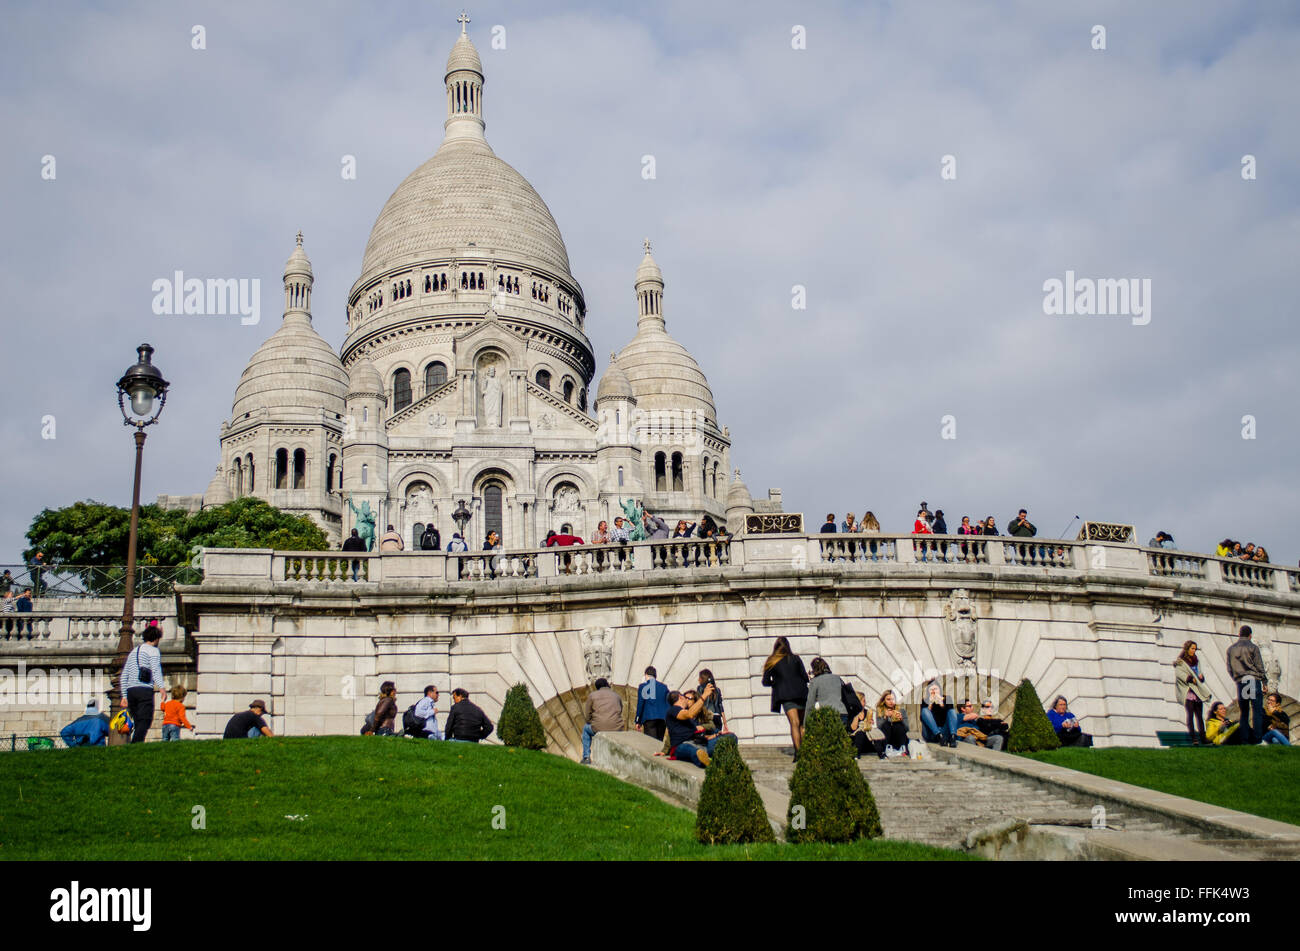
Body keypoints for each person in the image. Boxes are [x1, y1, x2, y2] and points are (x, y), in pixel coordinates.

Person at [761, 636, 809, 758]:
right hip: (801, 693)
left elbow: (765, 681)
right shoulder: (796, 658)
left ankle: (798, 752)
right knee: (802, 724)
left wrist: (777, 683)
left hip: (786, 695)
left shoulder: (772, 660)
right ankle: (804, 751)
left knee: (794, 723)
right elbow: (805, 677)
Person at [661, 686, 729, 767]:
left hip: (698, 743)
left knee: (730, 737)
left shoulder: (690, 718)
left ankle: (705, 756)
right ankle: (704, 760)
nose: (687, 700)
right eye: (686, 697)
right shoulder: (674, 710)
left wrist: (717, 735)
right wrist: (704, 695)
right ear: (680, 697)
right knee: (692, 750)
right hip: (682, 746)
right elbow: (690, 714)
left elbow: (700, 734)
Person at [119, 624, 164, 743]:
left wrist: (124, 695)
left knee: (138, 719)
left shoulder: (134, 651)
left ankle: (137, 743)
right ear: (156, 638)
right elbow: (155, 670)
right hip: (144, 689)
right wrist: (161, 687)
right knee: (145, 719)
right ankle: (136, 744)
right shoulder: (154, 651)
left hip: (131, 690)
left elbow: (124, 675)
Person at [1226, 624, 1267, 743]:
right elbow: (1259, 665)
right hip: (1252, 679)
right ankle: (1257, 738)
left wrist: (1236, 678)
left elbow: (1229, 668)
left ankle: (1244, 739)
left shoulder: (1231, 649)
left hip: (1242, 681)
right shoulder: (1253, 647)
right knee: (1257, 710)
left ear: (1239, 634)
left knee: (1244, 711)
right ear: (1250, 635)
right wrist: (1264, 681)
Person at [1173, 640, 1211, 744]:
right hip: (1188, 691)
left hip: (1197, 691)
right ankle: (1193, 738)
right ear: (1187, 649)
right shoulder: (1181, 661)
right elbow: (1179, 674)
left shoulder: (1196, 660)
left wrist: (1201, 677)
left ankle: (1203, 738)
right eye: (1192, 648)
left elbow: (1199, 672)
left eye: (1195, 649)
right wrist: (1190, 678)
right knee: (1190, 714)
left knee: (1199, 715)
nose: (1193, 651)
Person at [580, 677, 625, 763]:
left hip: (598, 727)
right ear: (607, 685)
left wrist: (591, 722)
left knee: (586, 729)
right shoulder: (617, 696)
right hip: (616, 728)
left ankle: (586, 757)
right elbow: (620, 710)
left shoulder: (592, 695)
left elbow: (587, 715)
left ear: (597, 687)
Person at [804, 657, 847, 726]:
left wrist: (805, 723)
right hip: (842, 713)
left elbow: (810, 703)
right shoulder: (837, 678)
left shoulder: (815, 681)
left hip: (827, 714)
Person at [635, 666, 670, 740]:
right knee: (659, 743)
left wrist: (638, 720)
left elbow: (640, 704)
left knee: (651, 744)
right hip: (662, 719)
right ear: (655, 676)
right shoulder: (664, 687)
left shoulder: (643, 686)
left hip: (649, 718)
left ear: (646, 675)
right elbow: (668, 702)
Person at [920, 680, 959, 747]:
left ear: (940, 690)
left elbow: (951, 713)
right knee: (924, 710)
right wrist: (930, 703)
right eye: (931, 689)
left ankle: (953, 737)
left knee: (952, 711)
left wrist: (941, 703)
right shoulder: (925, 700)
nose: (933, 691)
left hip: (944, 732)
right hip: (931, 734)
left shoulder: (947, 698)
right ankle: (939, 735)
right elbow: (923, 716)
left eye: (935, 689)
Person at [848, 694, 883, 759]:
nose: (865, 703)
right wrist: (857, 715)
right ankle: (856, 754)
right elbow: (853, 728)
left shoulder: (867, 712)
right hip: (856, 740)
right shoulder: (852, 713)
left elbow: (872, 726)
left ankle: (881, 754)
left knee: (875, 734)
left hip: (867, 739)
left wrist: (871, 722)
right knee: (860, 733)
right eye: (863, 701)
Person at [875, 689, 909, 756]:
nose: (891, 701)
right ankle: (885, 748)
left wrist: (901, 719)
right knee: (886, 725)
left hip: (898, 737)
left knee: (897, 724)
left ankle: (902, 747)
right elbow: (879, 727)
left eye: (893, 699)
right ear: (884, 700)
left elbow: (907, 728)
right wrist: (885, 717)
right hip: (886, 738)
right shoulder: (880, 710)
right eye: (888, 699)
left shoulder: (901, 710)